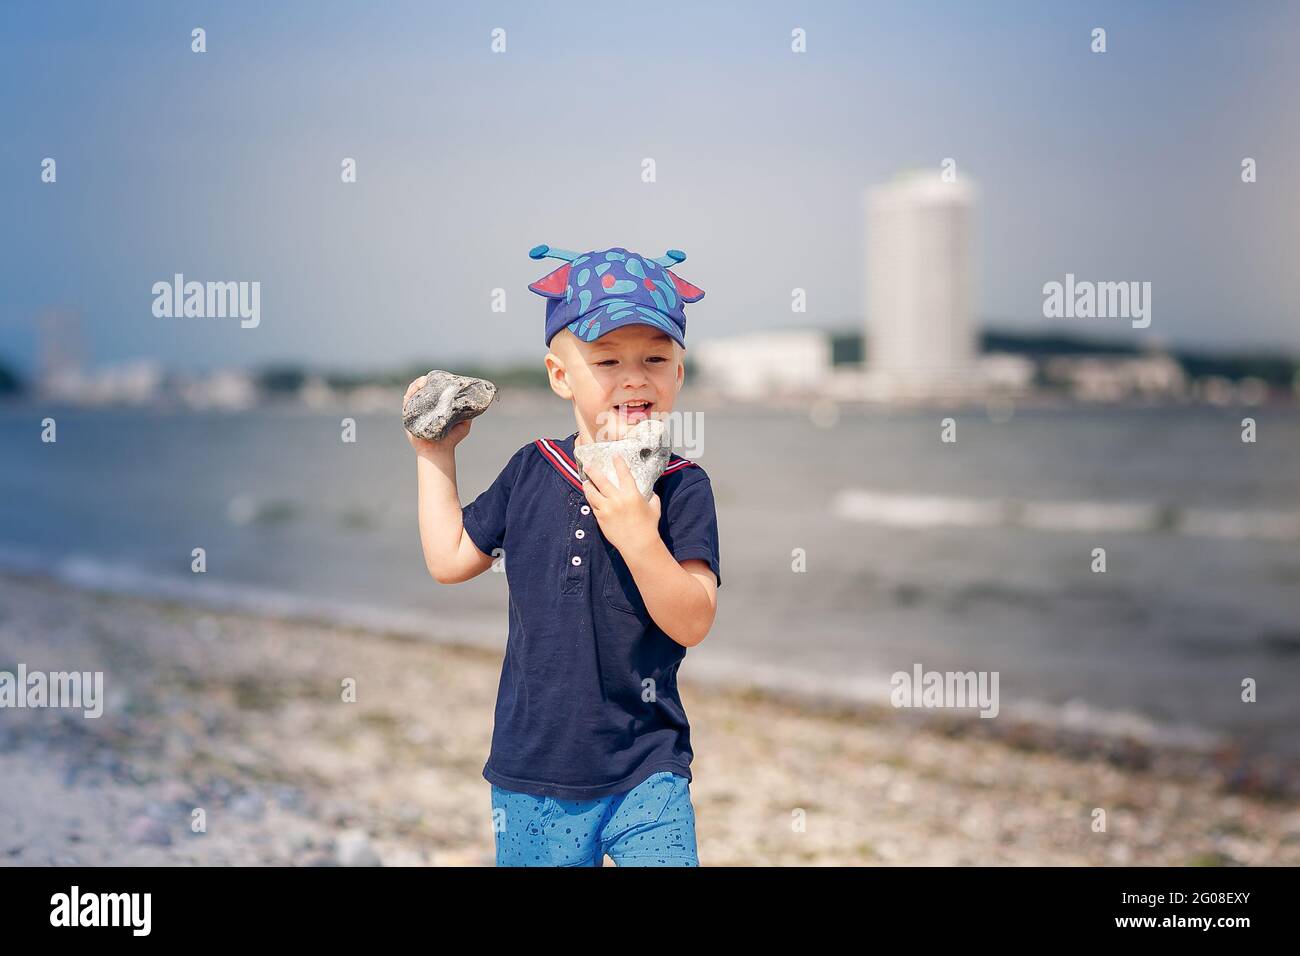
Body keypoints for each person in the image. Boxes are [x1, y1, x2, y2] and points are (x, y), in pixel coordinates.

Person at [406, 244, 721, 866]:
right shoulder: (532, 469)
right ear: (560, 375)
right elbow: (448, 560)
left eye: (656, 358)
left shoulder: (684, 485)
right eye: (606, 359)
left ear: (679, 374)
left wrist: (638, 534)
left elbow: (693, 619)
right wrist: (433, 454)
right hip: (534, 770)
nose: (634, 377)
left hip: (648, 765)